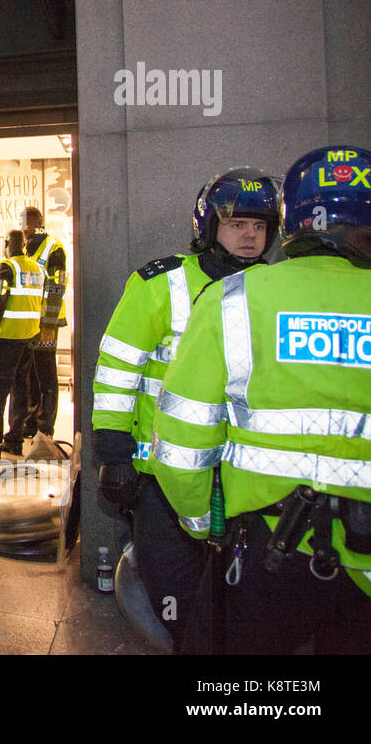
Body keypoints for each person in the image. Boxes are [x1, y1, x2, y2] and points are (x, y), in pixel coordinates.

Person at [151, 146, 371, 653]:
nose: (249, 235)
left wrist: (206, 524)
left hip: (265, 555)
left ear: (290, 223)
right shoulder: (171, 282)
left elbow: (183, 446)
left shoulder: (236, 297)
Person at [94, 168, 280, 650]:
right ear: (207, 227)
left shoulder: (277, 291)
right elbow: (117, 371)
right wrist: (113, 454)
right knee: (173, 588)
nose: (248, 235)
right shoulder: (161, 282)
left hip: (249, 476)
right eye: (236, 223)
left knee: (245, 598)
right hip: (161, 473)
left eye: (259, 227)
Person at [0, 229, 43, 455]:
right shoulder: (37, 268)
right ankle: (15, 438)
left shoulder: (6, 268)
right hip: (29, 336)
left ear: (8, 243)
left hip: (6, 336)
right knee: (21, 388)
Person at [19, 206, 67, 440]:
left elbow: (57, 287)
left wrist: (48, 324)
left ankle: (45, 427)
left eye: (26, 222)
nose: (23, 227)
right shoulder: (27, 250)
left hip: (47, 323)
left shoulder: (53, 248)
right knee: (30, 375)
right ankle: (30, 424)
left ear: (38, 221)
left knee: (47, 375)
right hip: (30, 323)